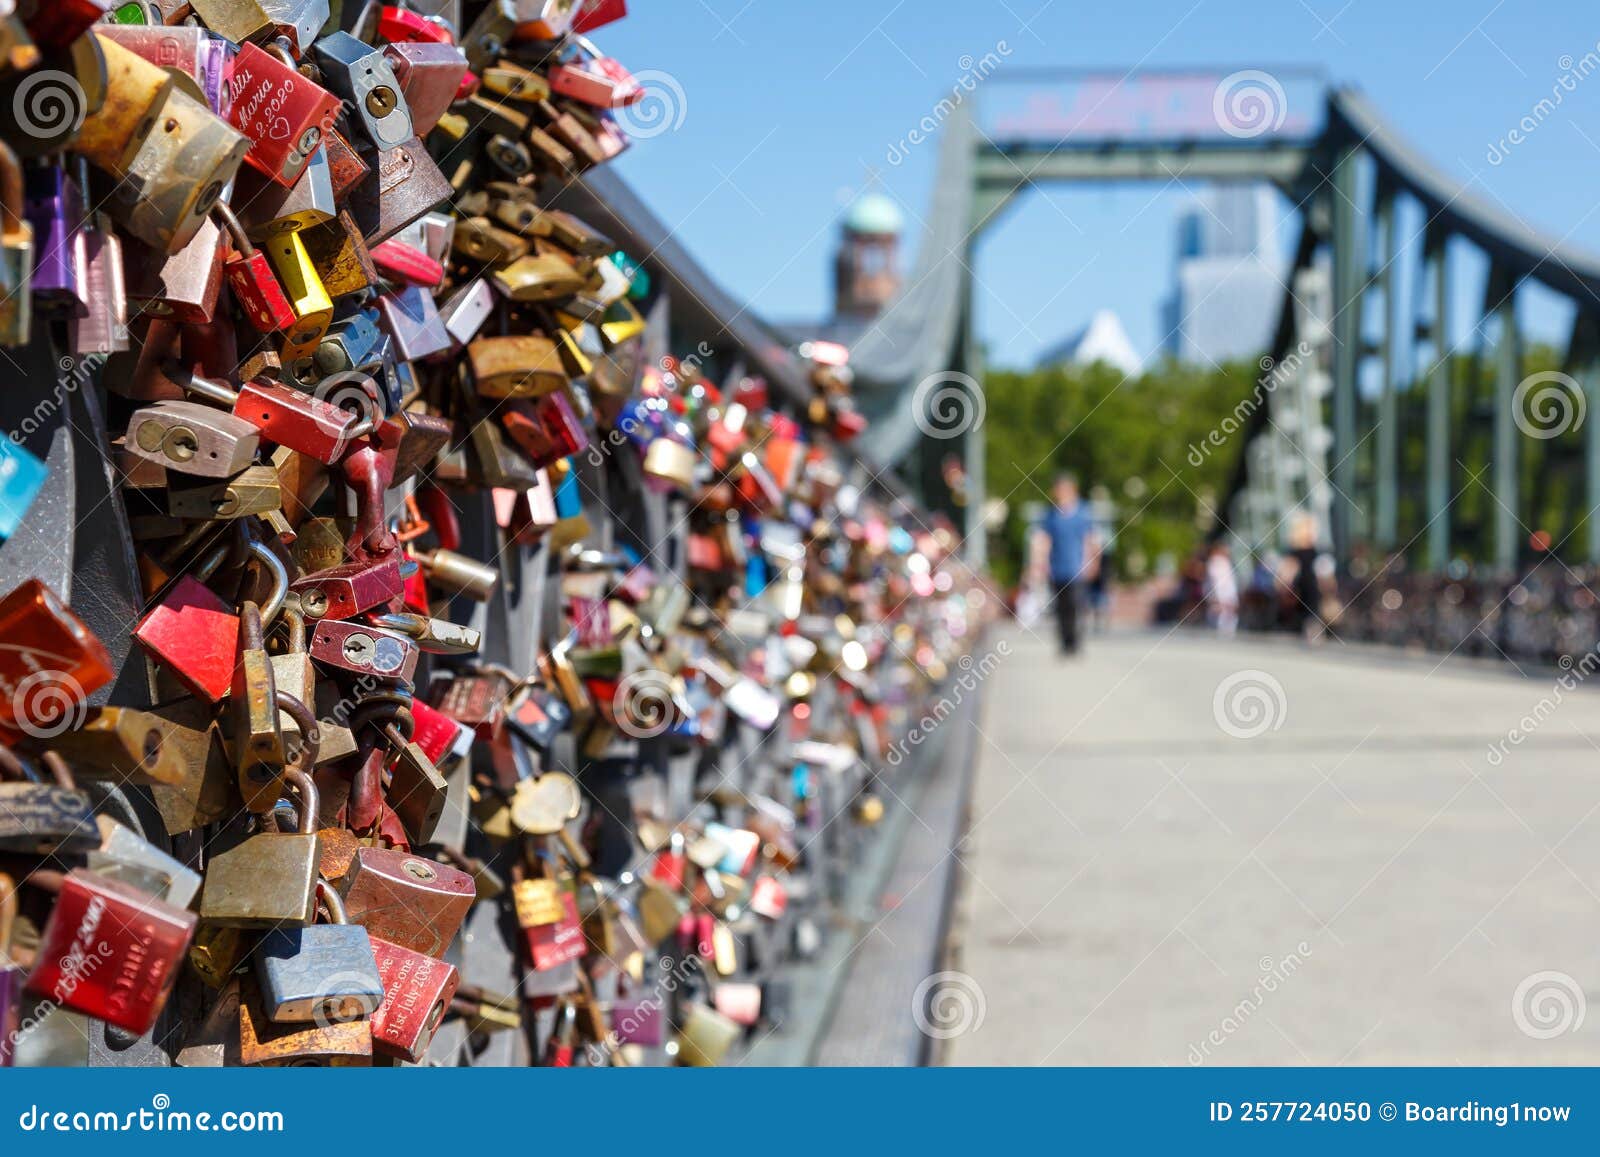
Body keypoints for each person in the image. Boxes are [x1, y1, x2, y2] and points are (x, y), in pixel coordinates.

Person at [1029, 474, 1100, 655]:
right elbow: (1044, 540)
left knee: (1076, 605)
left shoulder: (1083, 512)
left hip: (1078, 567)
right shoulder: (1051, 514)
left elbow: (1091, 539)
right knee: (1061, 607)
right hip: (1057, 568)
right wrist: (1040, 564)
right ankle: (1065, 642)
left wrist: (1092, 562)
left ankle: (1075, 642)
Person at [1204, 542, 1239, 636]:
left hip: (1225, 596)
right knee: (1220, 618)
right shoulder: (1216, 562)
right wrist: (1219, 598)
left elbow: (1229, 583)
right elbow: (1216, 583)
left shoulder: (1223, 562)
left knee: (1225, 618)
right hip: (1222, 596)